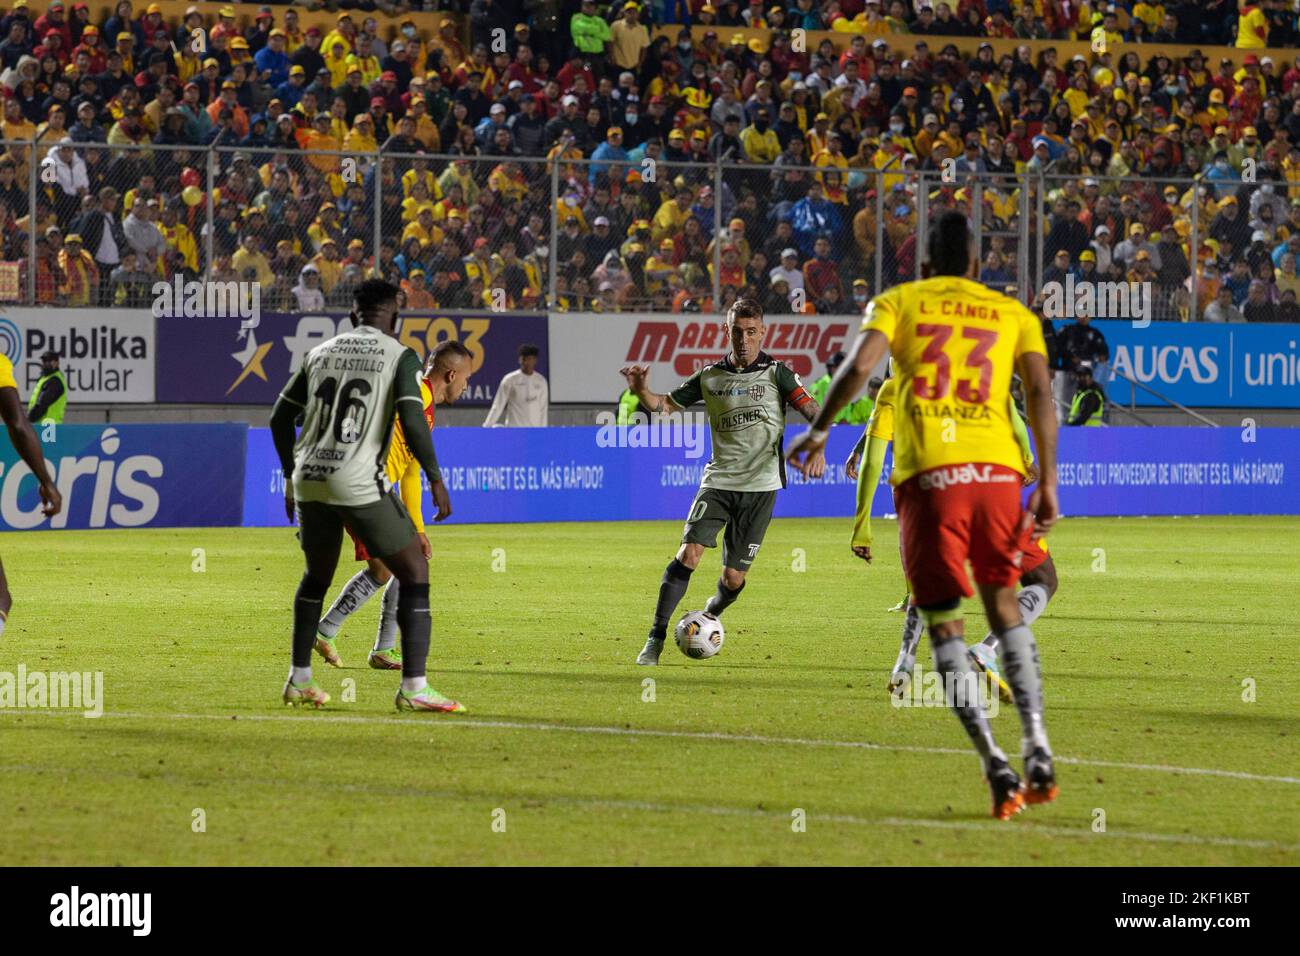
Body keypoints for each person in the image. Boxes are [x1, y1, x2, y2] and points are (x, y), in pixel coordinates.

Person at [786, 212, 1060, 820]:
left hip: (930, 480)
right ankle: (1037, 742)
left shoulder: (900, 300)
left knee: (945, 628)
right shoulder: (1011, 313)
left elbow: (858, 369)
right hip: (995, 476)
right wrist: (1050, 480)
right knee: (1008, 605)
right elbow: (1040, 391)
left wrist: (820, 429)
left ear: (926, 264)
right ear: (975, 265)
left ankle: (994, 762)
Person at [269, 279, 464, 713]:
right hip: (356, 477)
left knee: (315, 577)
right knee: (414, 569)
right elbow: (414, 422)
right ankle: (414, 687)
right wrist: (436, 476)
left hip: (309, 477)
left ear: (352, 315)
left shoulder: (319, 353)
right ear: (395, 317)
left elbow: (280, 418)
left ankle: (299, 679)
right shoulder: (401, 357)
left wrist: (288, 478)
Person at [620, 297, 825, 666]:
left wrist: (818, 445)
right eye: (737, 332)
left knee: (733, 578)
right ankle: (655, 638)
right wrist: (639, 390)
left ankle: (712, 612)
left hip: (761, 488)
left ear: (762, 332)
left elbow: (814, 411)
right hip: (718, 483)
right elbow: (663, 406)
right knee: (688, 554)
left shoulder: (778, 374)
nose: (744, 339)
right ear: (725, 332)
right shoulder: (710, 376)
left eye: (751, 332)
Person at [314, 342, 473, 671]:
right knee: (409, 566)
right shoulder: (417, 392)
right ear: (452, 374)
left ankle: (330, 633)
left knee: (389, 567)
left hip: (366, 486)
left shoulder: (424, 411)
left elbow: (411, 475)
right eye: (467, 378)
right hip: (364, 485)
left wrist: (419, 529)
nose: (467, 385)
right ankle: (377, 648)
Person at [0, 348, 62, 638]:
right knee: (1, 597)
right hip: (49, 430)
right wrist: (46, 481)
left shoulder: (54, 380)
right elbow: (18, 423)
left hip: (50, 426)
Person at [483, 343, 548, 426]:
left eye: (529, 359)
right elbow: (498, 405)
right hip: (514, 430)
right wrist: (486, 427)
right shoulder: (510, 380)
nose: (525, 362)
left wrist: (544, 432)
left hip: (534, 430)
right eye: (523, 359)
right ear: (519, 360)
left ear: (535, 360)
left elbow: (543, 409)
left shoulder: (541, 381)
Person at [809, 351, 873, 423]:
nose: (845, 371)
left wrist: (847, 420)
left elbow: (847, 409)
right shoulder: (821, 384)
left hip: (843, 428)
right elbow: (815, 409)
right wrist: (832, 422)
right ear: (832, 368)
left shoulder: (845, 385)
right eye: (842, 368)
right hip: (827, 427)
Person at [27, 351, 67, 425]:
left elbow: (42, 403)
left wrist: (29, 419)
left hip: (48, 427)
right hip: (45, 426)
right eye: (44, 361)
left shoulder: (54, 381)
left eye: (49, 361)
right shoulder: (46, 378)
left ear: (57, 363)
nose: (46, 363)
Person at [1066, 362, 1105, 426]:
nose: (1080, 379)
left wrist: (1068, 427)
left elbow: (1083, 417)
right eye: (1078, 376)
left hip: (1088, 433)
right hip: (1079, 432)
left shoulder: (1091, 395)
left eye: (1083, 376)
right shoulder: (1081, 393)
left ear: (1091, 378)